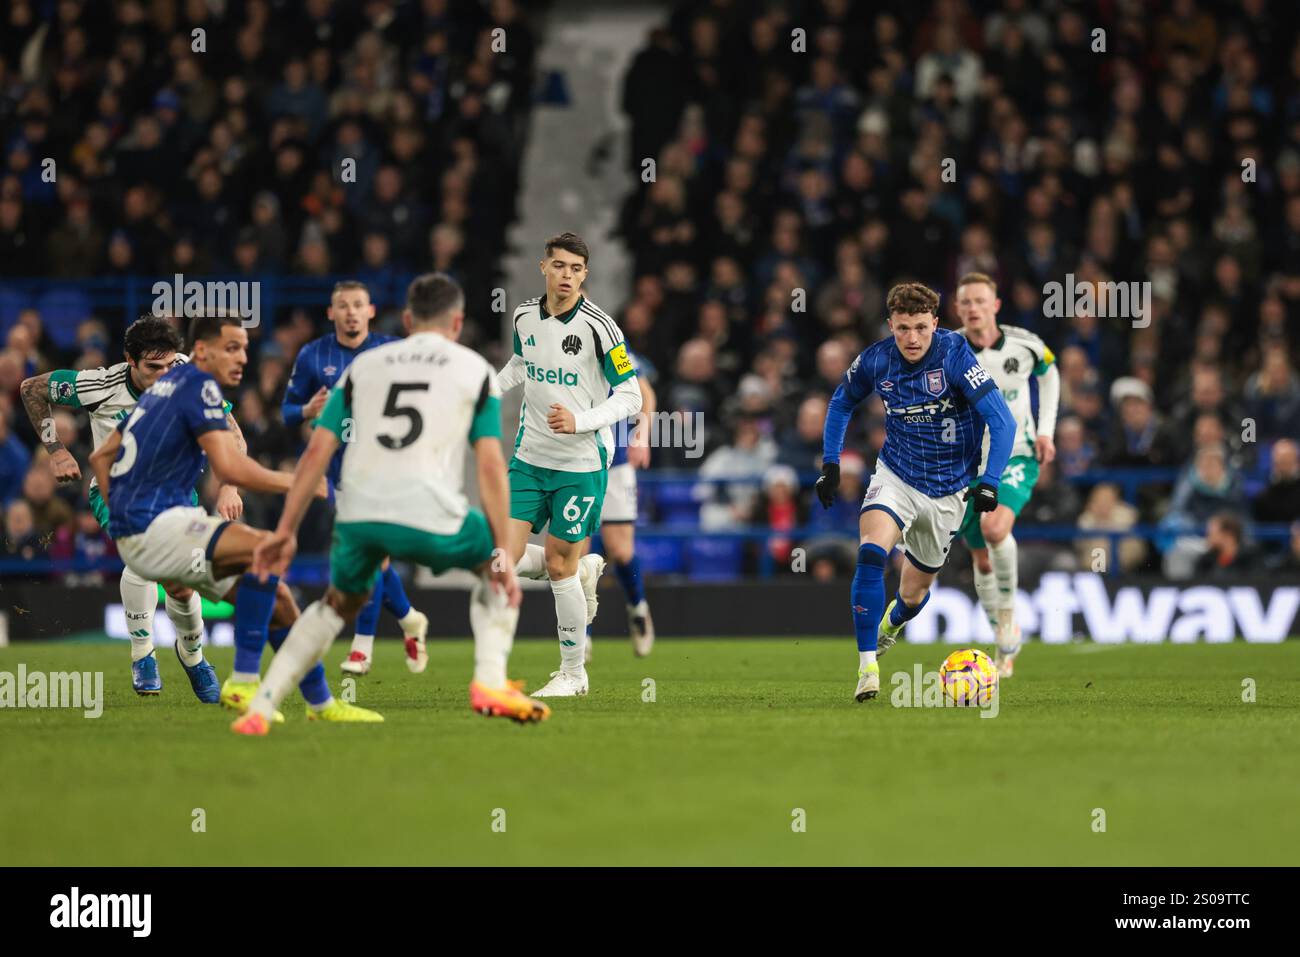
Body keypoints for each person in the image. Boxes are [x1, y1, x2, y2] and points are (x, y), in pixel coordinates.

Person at [237, 274, 545, 735]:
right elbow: (488, 465)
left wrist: (285, 531)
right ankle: (489, 681)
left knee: (334, 604)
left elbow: (316, 453)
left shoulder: (364, 367)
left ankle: (261, 707)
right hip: (430, 511)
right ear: (457, 322)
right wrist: (501, 548)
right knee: (496, 577)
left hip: (359, 513)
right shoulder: (474, 369)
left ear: (405, 320)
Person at [89, 314, 378, 724]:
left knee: (275, 595)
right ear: (201, 351)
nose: (242, 357)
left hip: (152, 527)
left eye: (244, 347)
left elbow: (100, 456)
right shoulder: (193, 387)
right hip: (156, 526)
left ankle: (321, 704)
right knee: (265, 549)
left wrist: (117, 515)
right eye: (231, 348)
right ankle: (242, 683)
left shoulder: (164, 389)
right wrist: (299, 483)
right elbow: (232, 469)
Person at [19, 316, 242, 699]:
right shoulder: (98, 385)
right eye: (152, 367)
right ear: (129, 361)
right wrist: (56, 451)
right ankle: (143, 654)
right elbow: (31, 388)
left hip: (175, 492)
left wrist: (229, 486)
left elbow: (232, 434)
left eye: (168, 365)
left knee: (183, 585)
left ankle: (192, 656)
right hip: (116, 492)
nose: (162, 375)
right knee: (145, 557)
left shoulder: (189, 375)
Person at [817, 282, 1015, 701]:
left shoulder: (955, 356)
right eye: (903, 328)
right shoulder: (876, 360)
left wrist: (991, 481)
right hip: (897, 476)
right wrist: (831, 463)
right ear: (891, 325)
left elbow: (1003, 423)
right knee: (872, 551)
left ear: (936, 324)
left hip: (949, 491)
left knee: (913, 593)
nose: (911, 338)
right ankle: (867, 667)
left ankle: (892, 624)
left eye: (921, 328)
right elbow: (840, 402)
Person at [496, 232, 643, 697]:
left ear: (586, 274)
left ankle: (573, 674)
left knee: (558, 566)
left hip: (580, 463)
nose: (566, 276)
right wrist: (486, 389)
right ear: (543, 267)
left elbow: (631, 395)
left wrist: (582, 421)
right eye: (559, 266)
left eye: (576, 269)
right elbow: (522, 365)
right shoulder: (523, 316)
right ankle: (581, 569)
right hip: (528, 458)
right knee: (500, 558)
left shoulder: (602, 327)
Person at [282, 281, 430, 676]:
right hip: (342, 473)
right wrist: (306, 409)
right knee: (373, 561)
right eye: (342, 305)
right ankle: (410, 619)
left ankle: (362, 649)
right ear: (331, 313)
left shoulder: (390, 352)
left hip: (387, 466)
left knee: (369, 555)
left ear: (370, 310)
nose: (350, 311)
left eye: (358, 305)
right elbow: (286, 410)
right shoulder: (314, 355)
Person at [953, 272, 1059, 677]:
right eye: (966, 303)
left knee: (995, 529)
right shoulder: (951, 348)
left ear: (995, 305)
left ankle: (1010, 614)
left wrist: (1046, 429)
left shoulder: (1025, 344)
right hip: (968, 466)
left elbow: (1050, 372)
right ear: (958, 309)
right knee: (980, 558)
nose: (973, 309)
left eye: (980, 301)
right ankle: (1002, 638)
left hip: (1016, 455)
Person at [587, 348, 658, 660]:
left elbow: (645, 393)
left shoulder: (611, 344)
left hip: (614, 464)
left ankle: (638, 610)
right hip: (575, 462)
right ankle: (580, 635)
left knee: (620, 550)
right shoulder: (551, 343)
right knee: (577, 552)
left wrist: (641, 435)